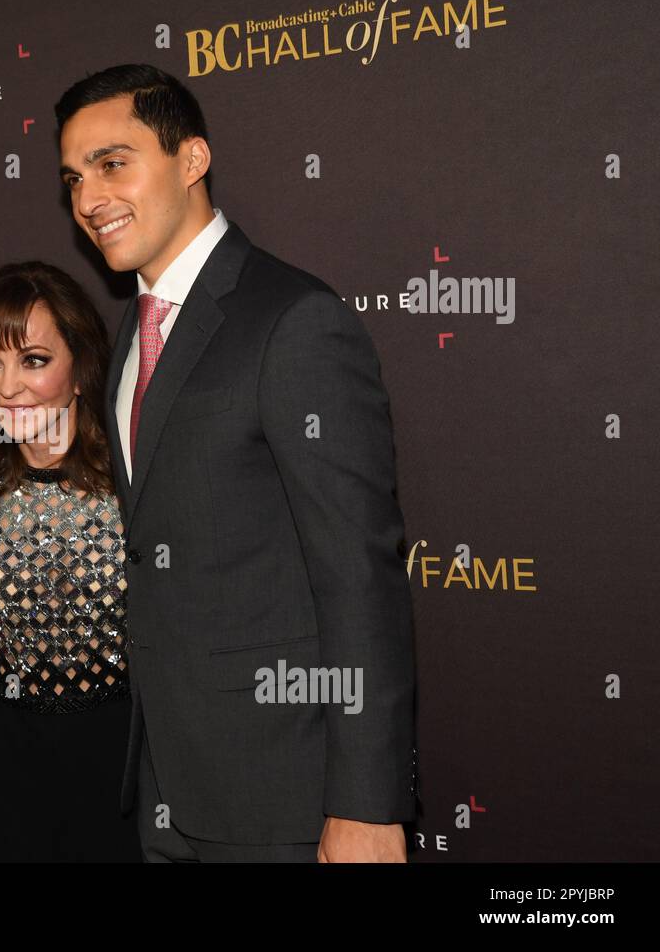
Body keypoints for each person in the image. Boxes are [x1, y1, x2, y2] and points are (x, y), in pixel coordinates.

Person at [54, 64, 418, 862]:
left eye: (113, 164)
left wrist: (366, 803)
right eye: (74, 178)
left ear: (192, 160)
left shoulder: (293, 320)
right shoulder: (133, 331)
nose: (88, 199)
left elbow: (358, 573)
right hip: (167, 785)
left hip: (286, 797)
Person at [0, 261, 141, 862]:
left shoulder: (133, 479)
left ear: (79, 367)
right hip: (13, 771)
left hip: (127, 768)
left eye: (33, 360)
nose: (5, 386)